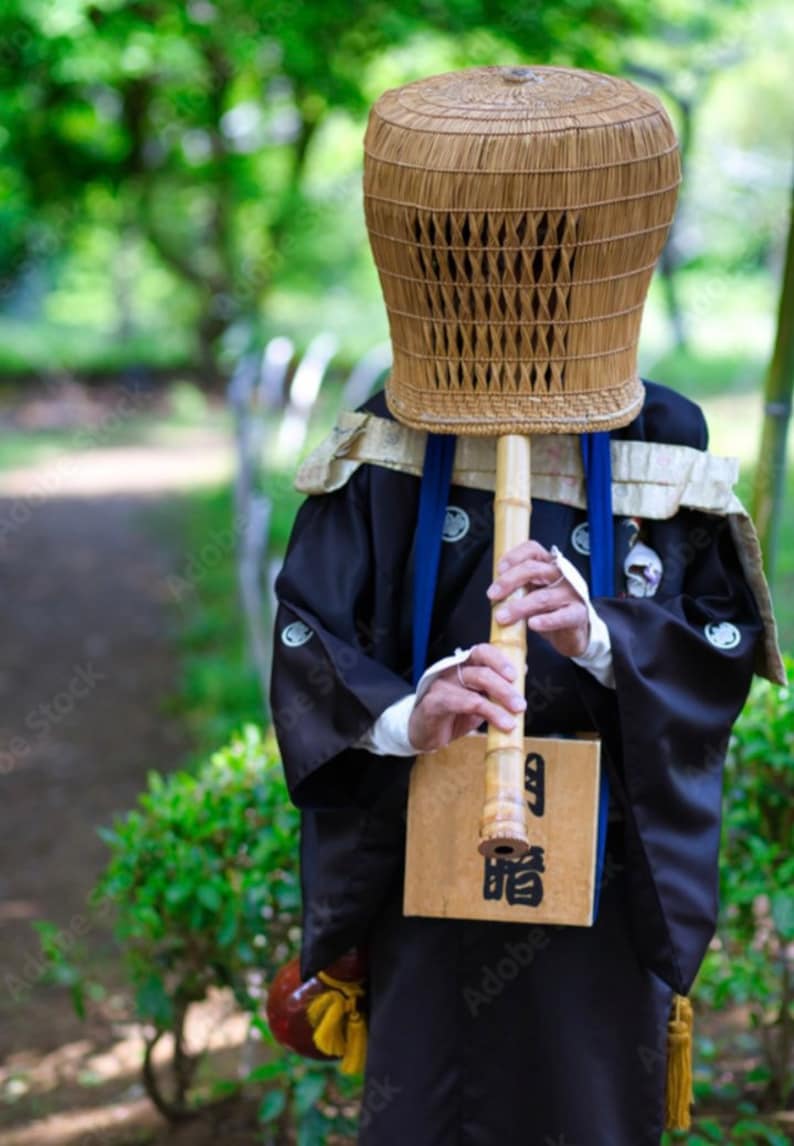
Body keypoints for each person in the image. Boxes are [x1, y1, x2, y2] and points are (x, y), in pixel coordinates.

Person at [270, 66, 783, 1146]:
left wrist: (598, 635)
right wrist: (411, 714)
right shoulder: (386, 434)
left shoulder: (664, 440)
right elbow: (307, 636)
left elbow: (717, 649)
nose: (516, 276)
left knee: (587, 1102)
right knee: (430, 1099)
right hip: (428, 848)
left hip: (596, 871)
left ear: (598, 256)